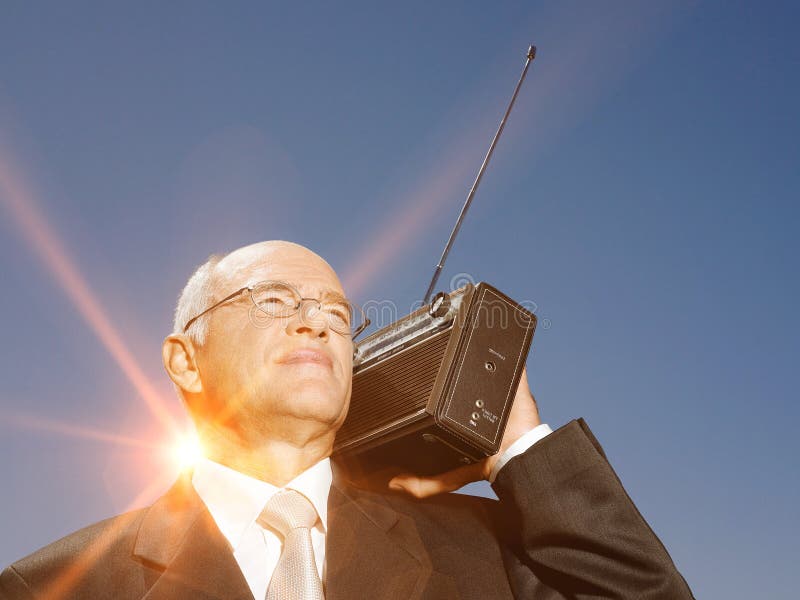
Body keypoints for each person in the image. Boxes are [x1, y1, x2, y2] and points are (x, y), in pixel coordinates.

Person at [0, 241, 694, 599]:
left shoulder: (485, 550)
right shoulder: (51, 585)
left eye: (337, 315)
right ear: (185, 360)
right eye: (272, 301)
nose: (316, 323)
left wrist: (514, 445)